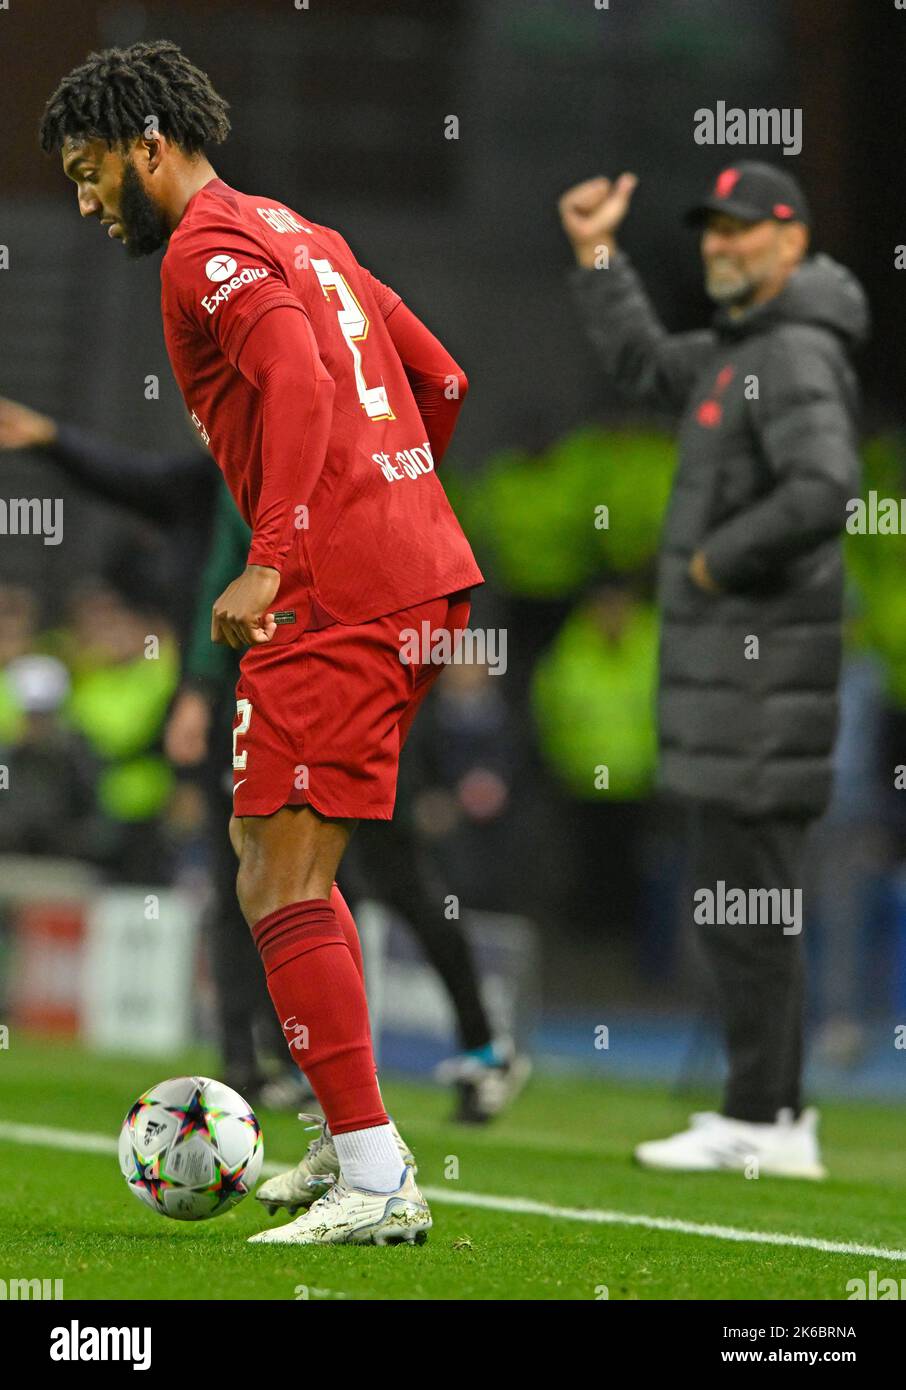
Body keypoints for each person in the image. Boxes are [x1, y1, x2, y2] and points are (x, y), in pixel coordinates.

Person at [41, 39, 484, 1245]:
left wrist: (281, 549)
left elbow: (294, 376)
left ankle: (376, 1177)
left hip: (333, 594)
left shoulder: (204, 250)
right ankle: (351, 1139)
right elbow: (440, 378)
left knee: (277, 876)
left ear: (147, 146)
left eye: (89, 173)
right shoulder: (302, 230)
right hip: (411, 577)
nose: (86, 202)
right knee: (274, 855)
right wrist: (395, 505)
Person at [559, 162, 869, 1178]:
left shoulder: (793, 352)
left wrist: (712, 561)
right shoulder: (745, 351)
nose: (721, 244)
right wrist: (598, 253)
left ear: (794, 240)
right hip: (738, 689)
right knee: (741, 906)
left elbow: (825, 485)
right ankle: (767, 1111)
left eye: (744, 229)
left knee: (751, 909)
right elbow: (646, 361)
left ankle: (766, 1115)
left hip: (761, 686)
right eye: (712, 230)